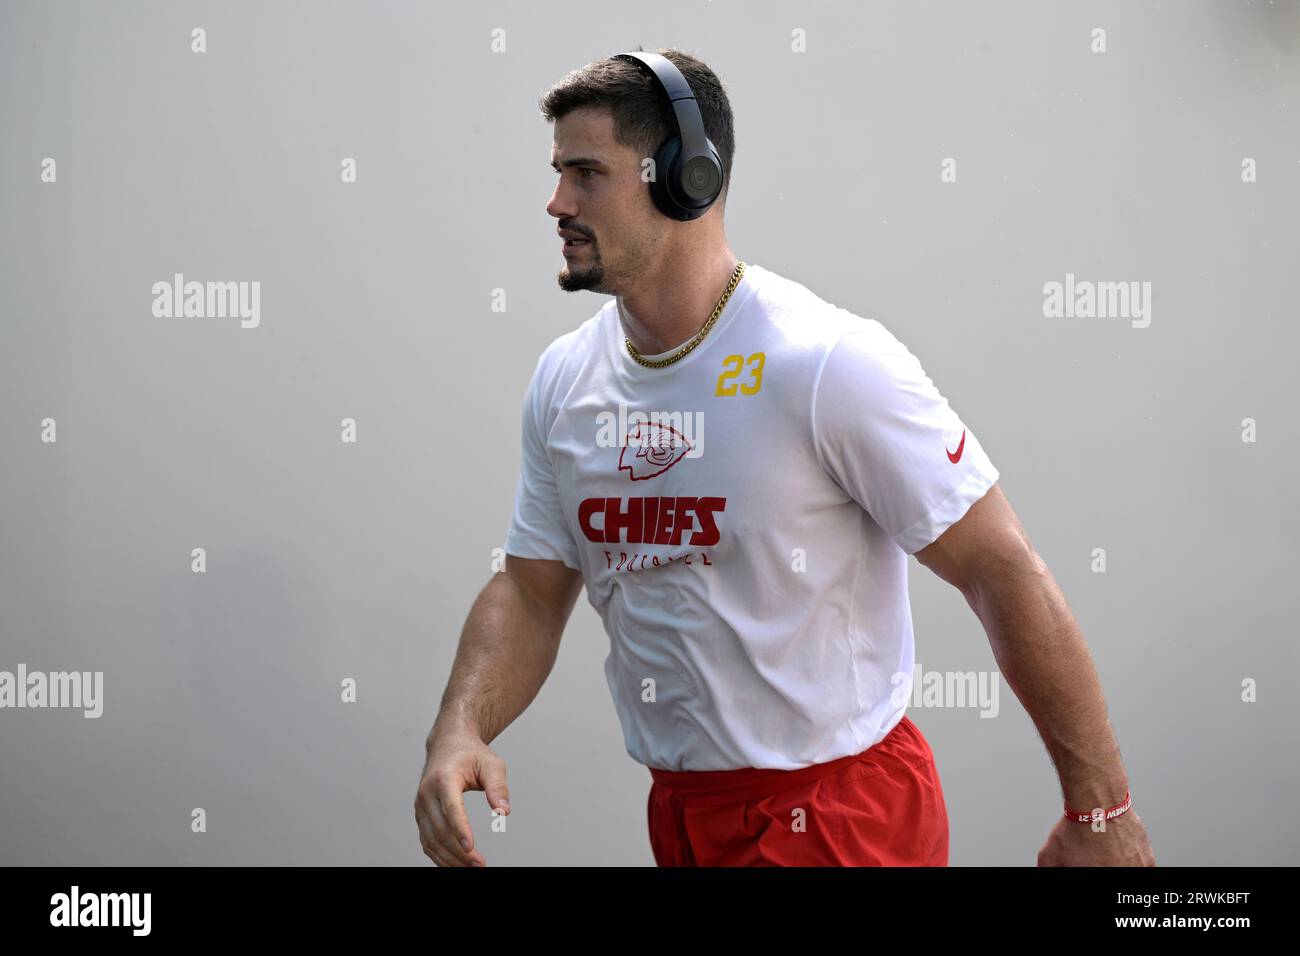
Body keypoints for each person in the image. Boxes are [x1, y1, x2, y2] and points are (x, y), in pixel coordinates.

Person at [415, 48, 1155, 867]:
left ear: (685, 178)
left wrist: (1101, 810)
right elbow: (530, 585)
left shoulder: (826, 363)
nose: (557, 202)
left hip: (842, 817)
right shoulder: (565, 379)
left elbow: (1000, 566)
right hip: (685, 814)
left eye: (588, 173)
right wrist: (461, 726)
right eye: (559, 172)